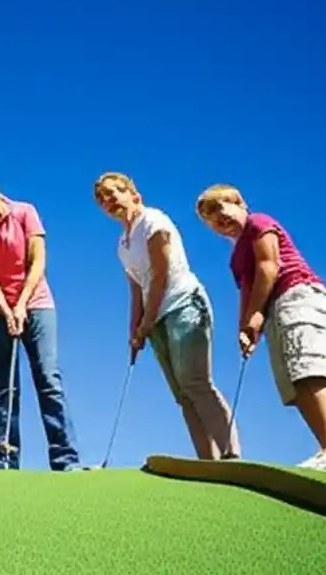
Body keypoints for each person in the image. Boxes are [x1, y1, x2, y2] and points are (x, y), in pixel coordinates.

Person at [194, 184, 326, 477]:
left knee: (309, 367)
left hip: (297, 294)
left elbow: (269, 266)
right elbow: (247, 290)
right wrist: (246, 328)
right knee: (294, 380)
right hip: (275, 309)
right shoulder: (236, 257)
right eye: (210, 216)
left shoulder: (258, 222)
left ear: (241, 204)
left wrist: (255, 315)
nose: (219, 216)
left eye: (222, 206)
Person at [94, 173, 240, 460]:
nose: (107, 201)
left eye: (113, 193)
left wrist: (147, 321)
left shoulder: (153, 220)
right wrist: (135, 331)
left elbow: (161, 273)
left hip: (184, 305)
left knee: (196, 383)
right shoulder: (123, 245)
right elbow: (137, 289)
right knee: (182, 395)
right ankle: (207, 461)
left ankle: (230, 453)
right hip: (157, 319)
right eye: (101, 199)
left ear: (133, 193)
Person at [0, 163, 84, 471]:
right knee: (6, 387)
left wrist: (22, 304)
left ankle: (65, 459)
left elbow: (37, 261)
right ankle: (4, 461)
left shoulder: (25, 212)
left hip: (37, 303)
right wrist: (6, 309)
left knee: (48, 378)